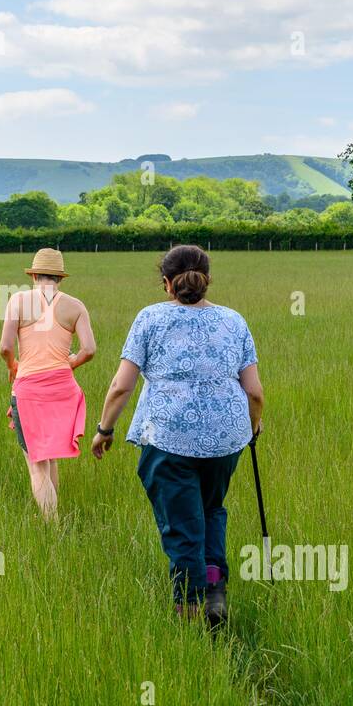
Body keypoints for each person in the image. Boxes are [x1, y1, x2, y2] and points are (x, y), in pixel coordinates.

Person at [90, 245, 264, 629]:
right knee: (211, 509)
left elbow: (121, 386)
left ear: (166, 283)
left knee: (182, 525)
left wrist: (104, 430)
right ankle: (214, 586)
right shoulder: (234, 320)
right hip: (226, 440)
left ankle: (189, 616)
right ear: (207, 279)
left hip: (168, 439)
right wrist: (252, 426)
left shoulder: (150, 318)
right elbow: (254, 392)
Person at [0, 248, 95, 522]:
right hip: (64, 391)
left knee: (36, 464)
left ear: (34, 275)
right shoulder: (75, 306)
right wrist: (69, 364)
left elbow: (5, 346)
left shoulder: (19, 301)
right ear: (60, 278)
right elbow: (88, 349)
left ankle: (53, 528)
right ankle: (55, 515)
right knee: (50, 456)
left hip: (29, 390)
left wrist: (12, 367)